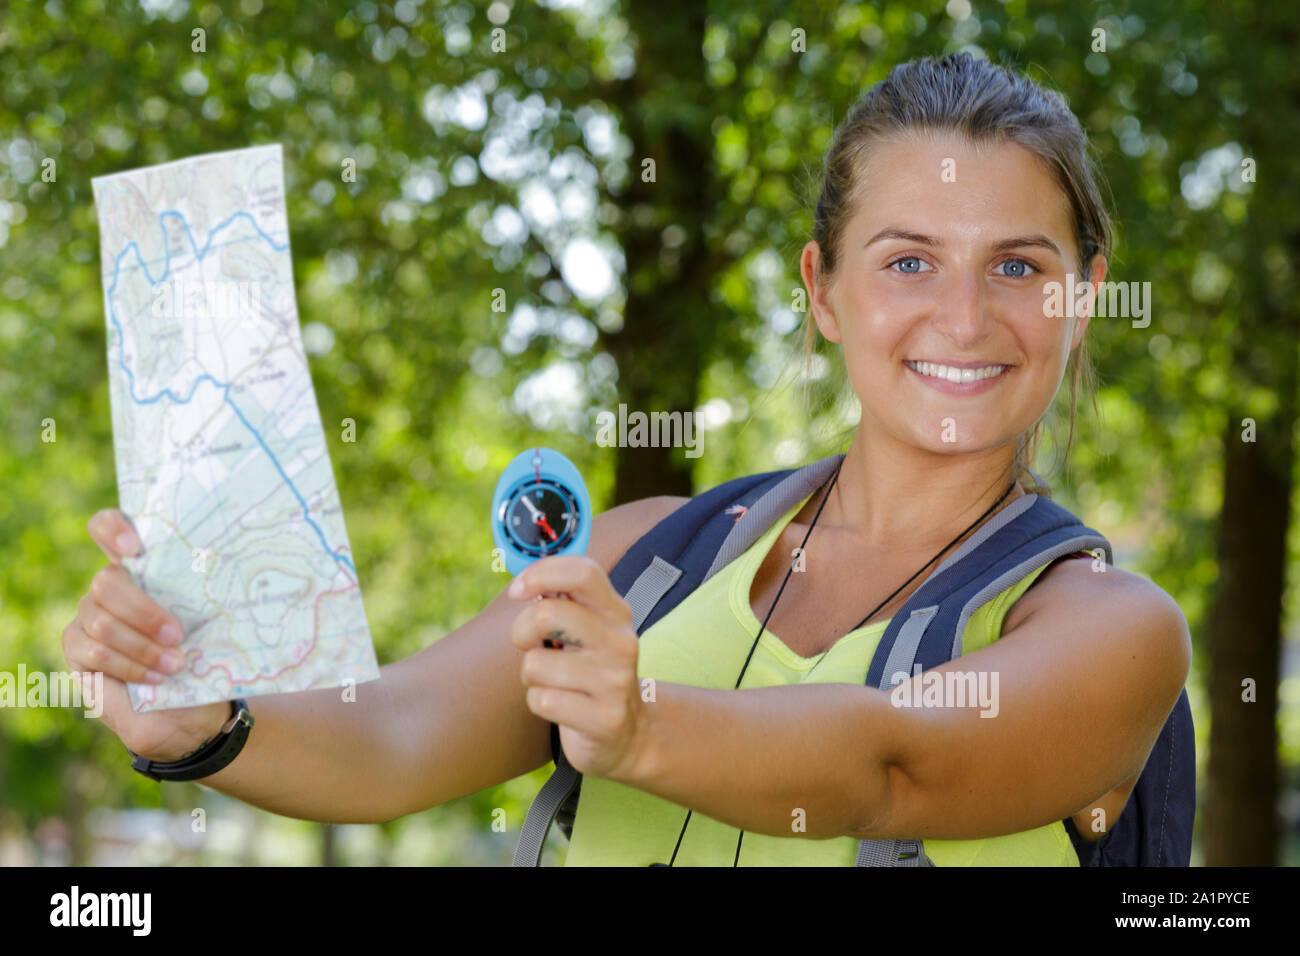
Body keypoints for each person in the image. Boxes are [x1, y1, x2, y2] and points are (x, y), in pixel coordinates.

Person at [63, 52, 1190, 865]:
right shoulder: (648, 555)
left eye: (1015, 267)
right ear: (822, 291)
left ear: (1080, 298)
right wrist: (204, 725)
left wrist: (643, 724)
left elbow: (892, 763)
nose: (962, 314)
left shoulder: (1107, 627)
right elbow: (391, 734)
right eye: (906, 262)